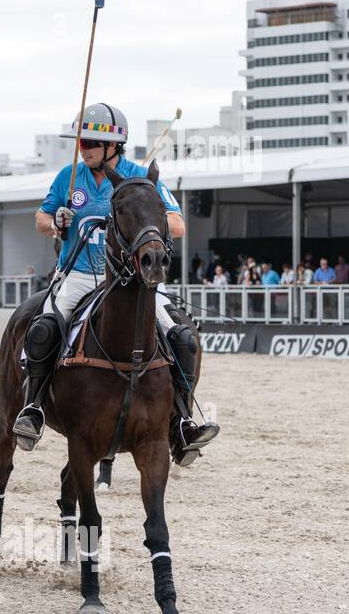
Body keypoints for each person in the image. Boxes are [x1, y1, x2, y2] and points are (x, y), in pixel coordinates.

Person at [12, 102, 218, 462]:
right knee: (44, 330)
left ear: (112, 145)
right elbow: (40, 220)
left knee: (181, 337)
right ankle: (34, 408)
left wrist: (136, 221)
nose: (84, 148)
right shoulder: (69, 176)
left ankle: (182, 423)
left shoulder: (139, 177)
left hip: (131, 279)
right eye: (81, 142)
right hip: (78, 273)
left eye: (91, 143)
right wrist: (56, 221)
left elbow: (178, 224)